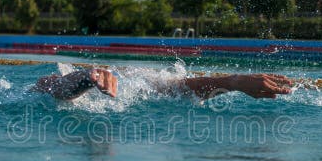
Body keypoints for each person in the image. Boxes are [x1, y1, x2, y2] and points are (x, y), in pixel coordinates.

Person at [32, 67, 294, 100]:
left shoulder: (140, 78)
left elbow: (178, 87)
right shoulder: (56, 75)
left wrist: (234, 82)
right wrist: (83, 78)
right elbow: (47, 85)